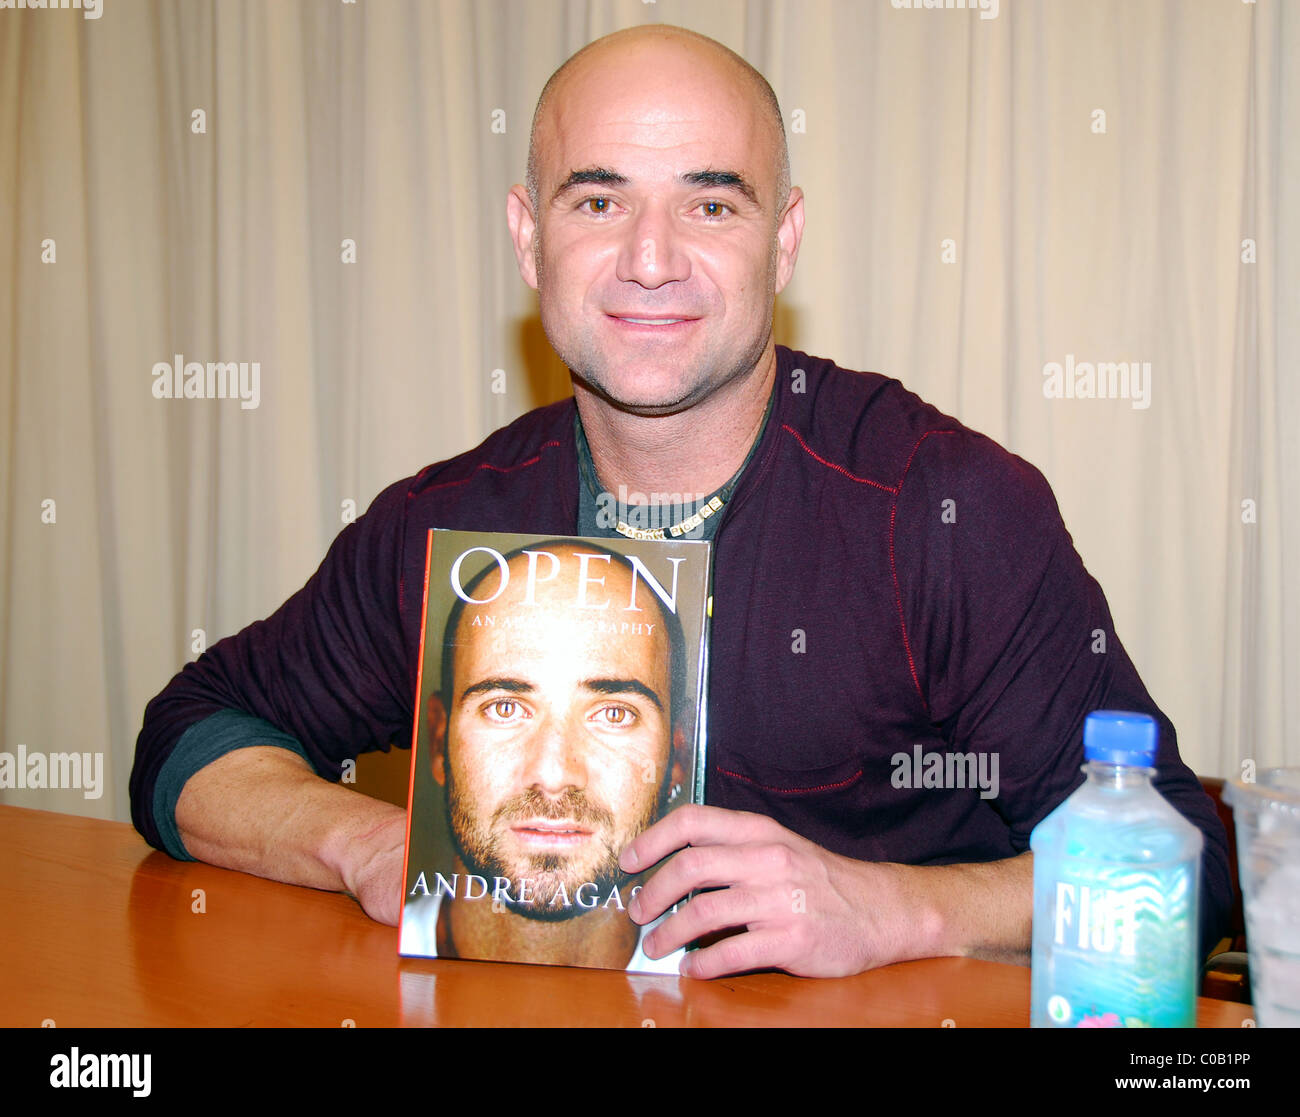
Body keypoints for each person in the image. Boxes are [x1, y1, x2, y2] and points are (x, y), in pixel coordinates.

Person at [131, 24, 1231, 980]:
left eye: (711, 202)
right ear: (528, 237)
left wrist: (900, 910)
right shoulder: (446, 526)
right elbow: (191, 739)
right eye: (598, 199)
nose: (649, 261)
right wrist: (368, 846)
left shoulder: (942, 510)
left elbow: (1187, 860)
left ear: (784, 239)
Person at [400, 540, 693, 973]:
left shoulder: (738, 990)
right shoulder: (347, 965)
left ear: (677, 753)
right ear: (439, 741)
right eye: (505, 708)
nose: (553, 775)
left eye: (614, 714)